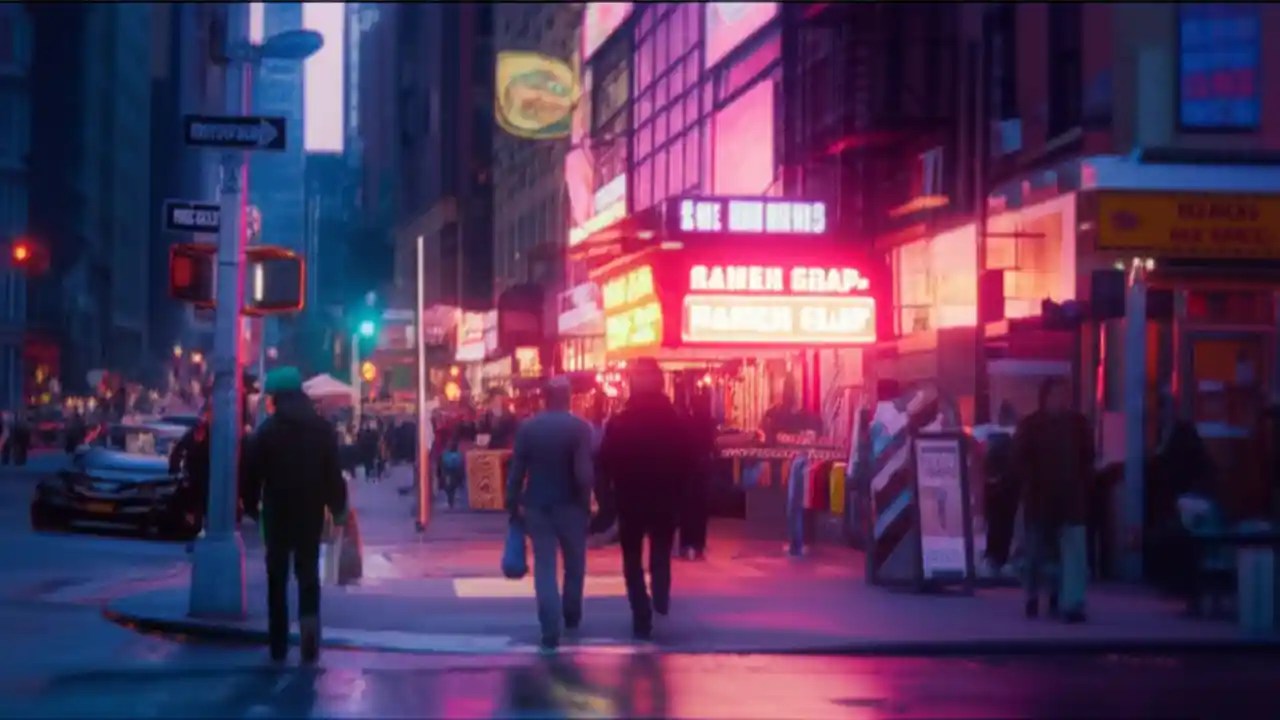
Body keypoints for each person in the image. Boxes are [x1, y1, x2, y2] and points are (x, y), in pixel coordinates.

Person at [241, 367, 349, 664]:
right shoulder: (322, 430)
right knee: (308, 575)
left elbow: (249, 478)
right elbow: (333, 477)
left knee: (277, 579)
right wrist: (338, 510)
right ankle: (309, 637)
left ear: (276, 398)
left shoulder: (266, 433)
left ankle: (278, 644)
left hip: (277, 514)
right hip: (309, 513)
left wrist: (253, 508)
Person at [598, 357, 696, 640]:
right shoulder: (676, 419)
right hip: (666, 497)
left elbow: (605, 461)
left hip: (630, 497)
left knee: (631, 558)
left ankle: (641, 612)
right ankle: (660, 600)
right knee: (661, 552)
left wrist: (608, 499)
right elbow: (688, 461)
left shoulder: (621, 420)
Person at [505, 376, 595, 651]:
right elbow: (583, 473)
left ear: (545, 398)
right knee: (574, 564)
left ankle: (549, 626)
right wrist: (587, 502)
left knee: (544, 566)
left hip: (537, 505)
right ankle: (571, 614)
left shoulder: (529, 429)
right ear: (568, 398)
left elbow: (517, 470)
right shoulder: (580, 428)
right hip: (570, 507)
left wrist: (512, 502)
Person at [1012, 376, 1094, 623]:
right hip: (1042, 498)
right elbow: (1020, 461)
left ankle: (1066, 600)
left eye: (1066, 394)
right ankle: (1034, 595)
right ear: (1046, 397)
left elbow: (1087, 457)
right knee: (1037, 551)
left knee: (1069, 552)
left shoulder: (1077, 424)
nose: (1064, 399)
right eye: (1059, 394)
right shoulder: (1032, 425)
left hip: (1069, 499)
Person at [678, 387, 716, 560]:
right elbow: (713, 446)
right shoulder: (709, 423)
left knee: (687, 508)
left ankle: (686, 544)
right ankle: (699, 545)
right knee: (701, 509)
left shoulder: (685, 422)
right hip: (703, 468)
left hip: (687, 468)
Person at [982, 401, 1020, 574]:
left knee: (995, 523)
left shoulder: (990, 433)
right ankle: (1000, 558)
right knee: (1005, 523)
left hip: (993, 484)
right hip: (1008, 485)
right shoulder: (1015, 435)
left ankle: (993, 557)